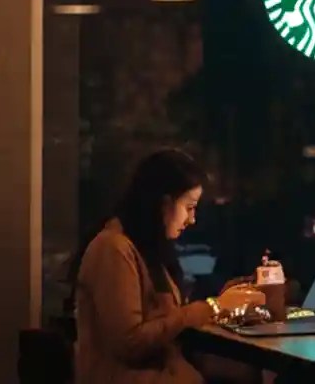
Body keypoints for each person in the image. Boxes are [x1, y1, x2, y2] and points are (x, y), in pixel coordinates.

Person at [73, 149, 262, 384]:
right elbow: (130, 343)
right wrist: (210, 308)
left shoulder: (147, 249)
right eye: (189, 207)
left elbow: (167, 321)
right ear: (164, 204)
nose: (192, 219)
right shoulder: (113, 249)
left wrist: (225, 302)